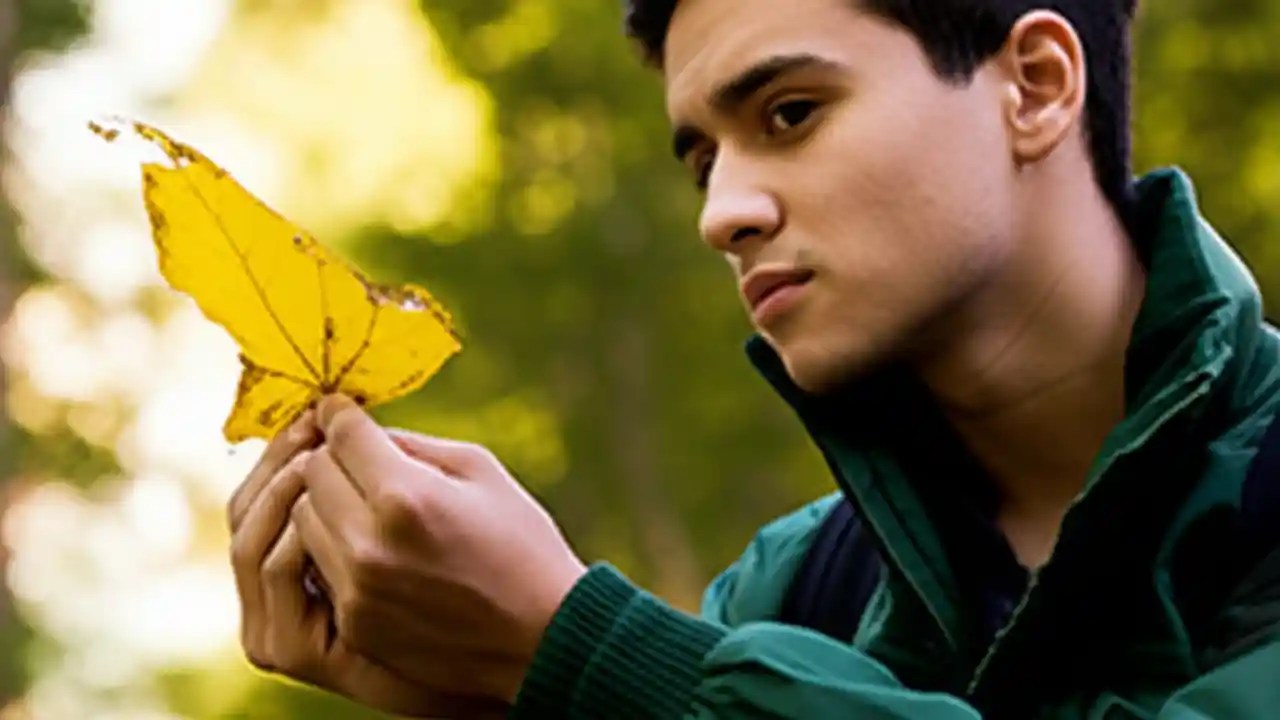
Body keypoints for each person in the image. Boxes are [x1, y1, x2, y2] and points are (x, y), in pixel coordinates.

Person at [226, 0, 1280, 717]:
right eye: (702, 162)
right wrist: (492, 694)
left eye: (789, 113)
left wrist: (590, 653)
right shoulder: (791, 590)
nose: (722, 213)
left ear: (1035, 87)